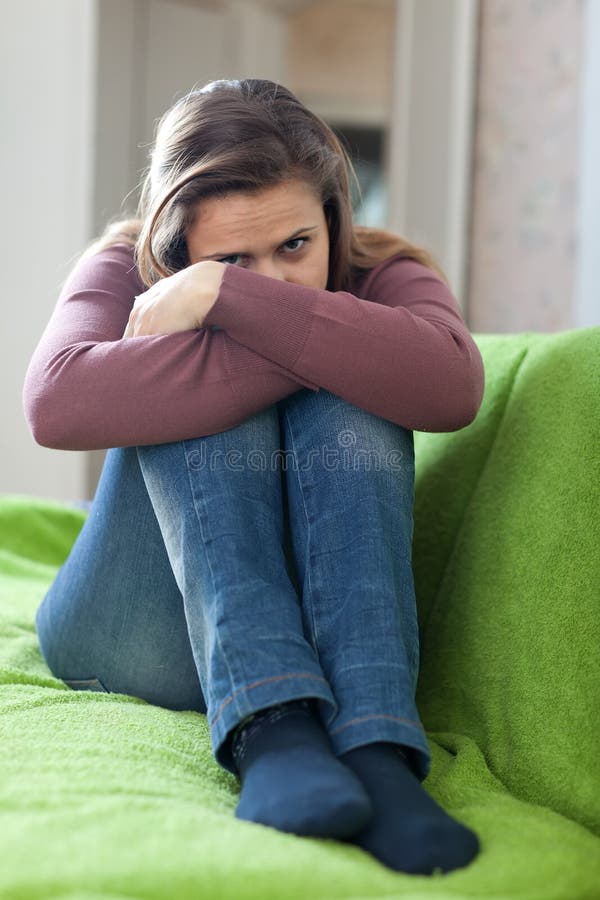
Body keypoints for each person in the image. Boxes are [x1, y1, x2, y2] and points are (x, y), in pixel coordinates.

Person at [23, 78, 485, 876]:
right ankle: (268, 725)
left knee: (353, 392)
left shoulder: (384, 270)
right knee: (211, 382)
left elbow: (451, 386)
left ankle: (374, 742)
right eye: (230, 259)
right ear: (175, 248)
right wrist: (236, 319)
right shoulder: (120, 266)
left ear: (334, 217)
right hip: (127, 631)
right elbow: (55, 406)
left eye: (296, 247)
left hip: (326, 637)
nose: (269, 279)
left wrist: (225, 296)